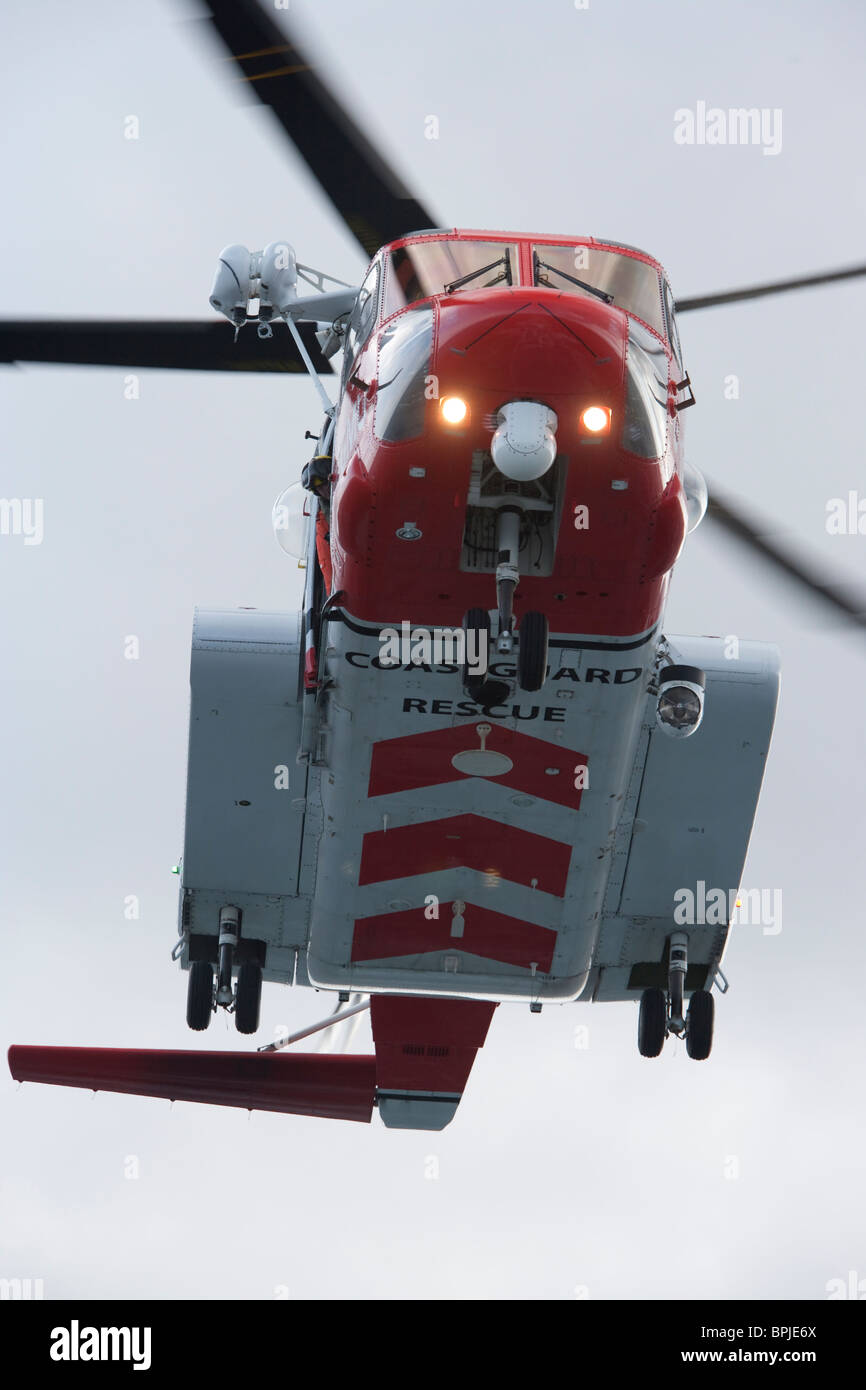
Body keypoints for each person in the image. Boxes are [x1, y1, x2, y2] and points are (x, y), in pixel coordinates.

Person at [302, 452, 333, 594]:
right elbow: (328, 567)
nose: (322, 490)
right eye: (317, 489)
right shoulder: (323, 522)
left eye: (322, 483)